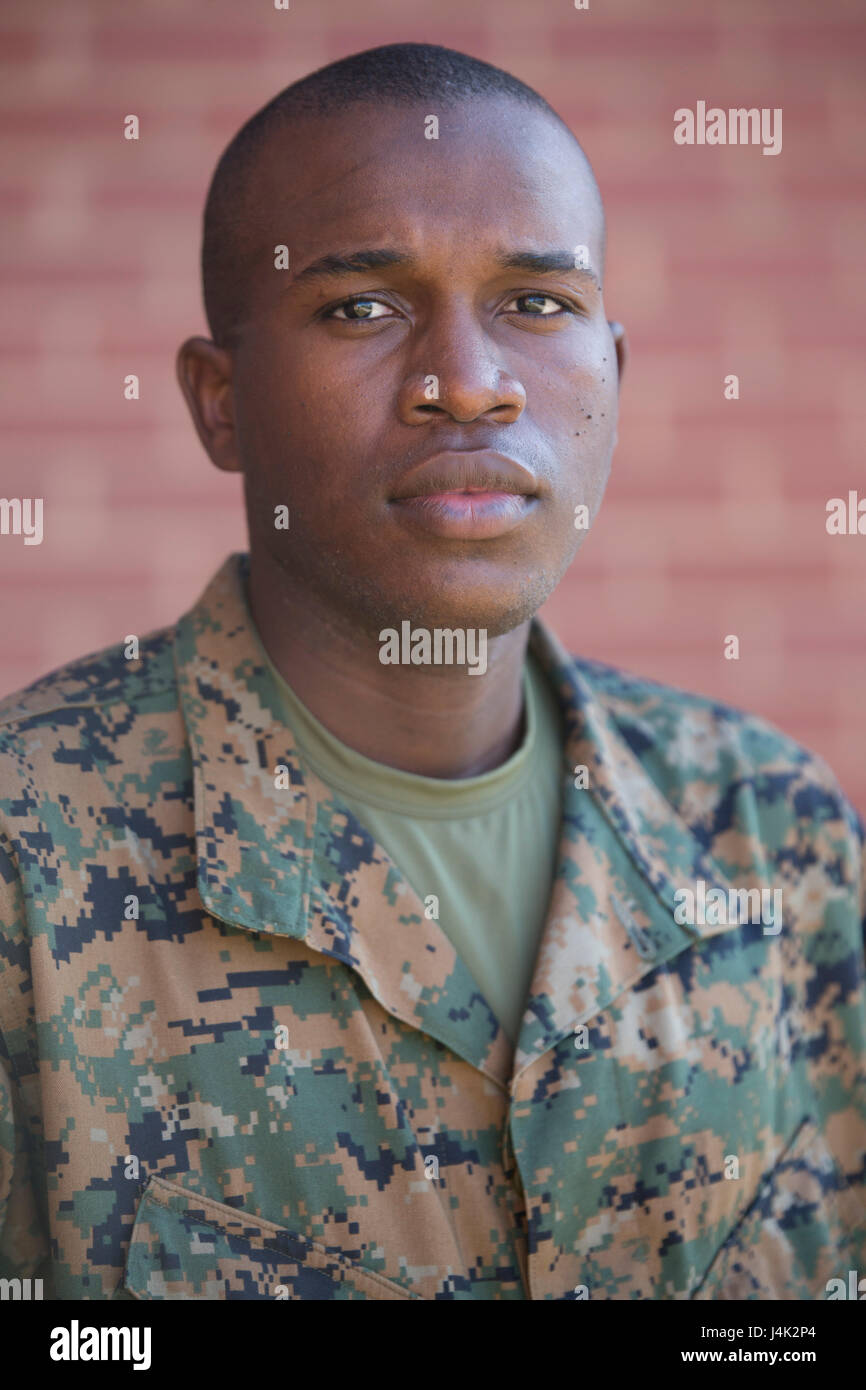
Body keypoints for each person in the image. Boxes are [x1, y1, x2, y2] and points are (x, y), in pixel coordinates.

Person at [1, 42, 863, 1302]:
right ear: (218, 400)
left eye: (536, 302)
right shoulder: (30, 854)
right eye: (361, 306)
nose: (466, 379)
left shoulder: (769, 833)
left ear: (612, 377)